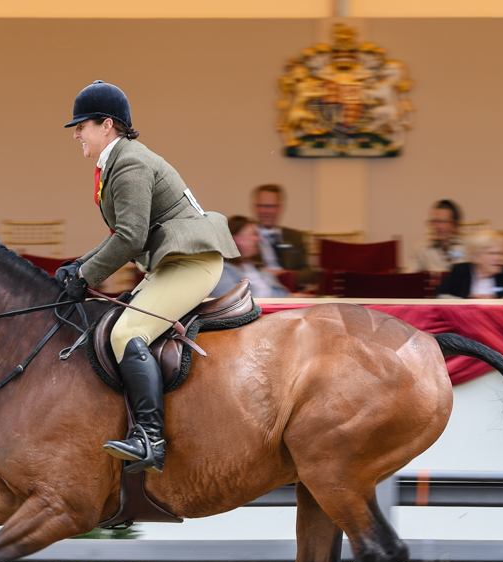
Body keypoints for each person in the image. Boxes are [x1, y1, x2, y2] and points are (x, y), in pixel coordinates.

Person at [55, 80, 239, 473]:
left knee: (126, 334)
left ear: (107, 125)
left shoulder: (130, 163)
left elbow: (130, 237)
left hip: (192, 262)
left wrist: (85, 274)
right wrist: (79, 265)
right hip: (173, 261)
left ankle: (150, 439)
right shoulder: (119, 160)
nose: (76, 134)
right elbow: (120, 234)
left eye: (81, 126)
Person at [435, 231, 503, 299]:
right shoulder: (460, 271)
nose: (500, 258)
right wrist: (467, 303)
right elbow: (440, 295)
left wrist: (500, 302)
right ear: (476, 256)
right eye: (493, 253)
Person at [211, 216, 290, 299]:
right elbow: (232, 300)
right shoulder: (222, 271)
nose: (258, 239)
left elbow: (282, 294)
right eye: (252, 234)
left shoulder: (257, 268)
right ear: (235, 239)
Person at [251, 184, 313, 288]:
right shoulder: (246, 237)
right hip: (259, 292)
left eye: (272, 206)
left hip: (291, 291)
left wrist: (285, 276)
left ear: (280, 208)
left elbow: (308, 274)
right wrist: (265, 274)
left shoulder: (295, 237)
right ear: (255, 208)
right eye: (262, 206)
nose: (266, 211)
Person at [410, 199, 467, 274]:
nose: (437, 226)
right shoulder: (420, 248)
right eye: (435, 221)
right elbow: (409, 276)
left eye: (443, 222)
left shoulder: (463, 246)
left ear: (454, 225)